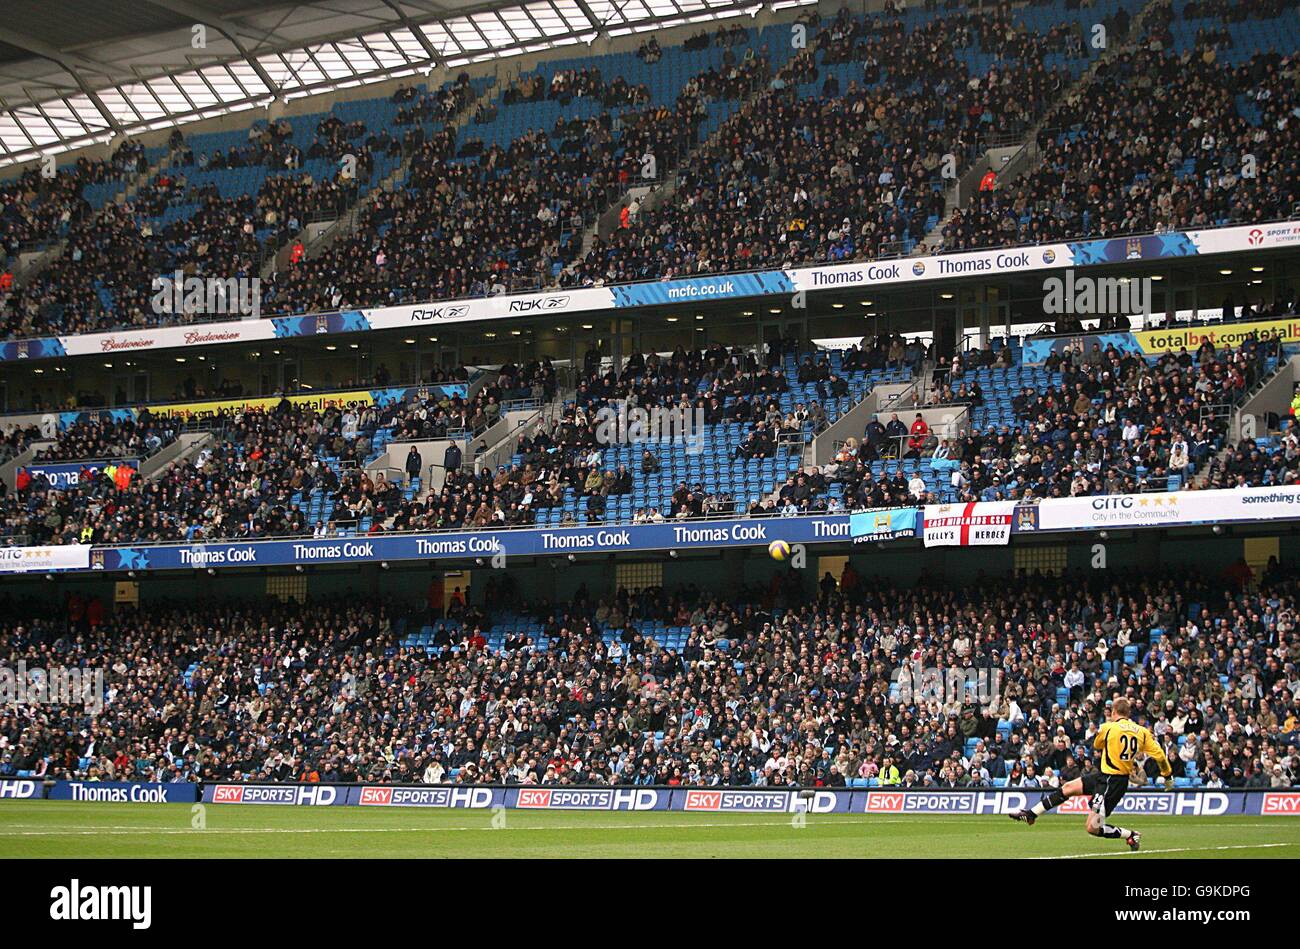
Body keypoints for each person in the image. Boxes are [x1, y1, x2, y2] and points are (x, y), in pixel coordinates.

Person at [1009, 697, 1171, 850]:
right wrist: (1167, 776)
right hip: (1107, 777)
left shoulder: (1109, 727)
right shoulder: (1142, 732)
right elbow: (1160, 756)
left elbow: (1097, 744)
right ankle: (1031, 814)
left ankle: (1131, 835)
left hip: (1111, 782)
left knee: (1092, 827)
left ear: (1114, 712)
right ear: (1128, 713)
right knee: (1068, 788)